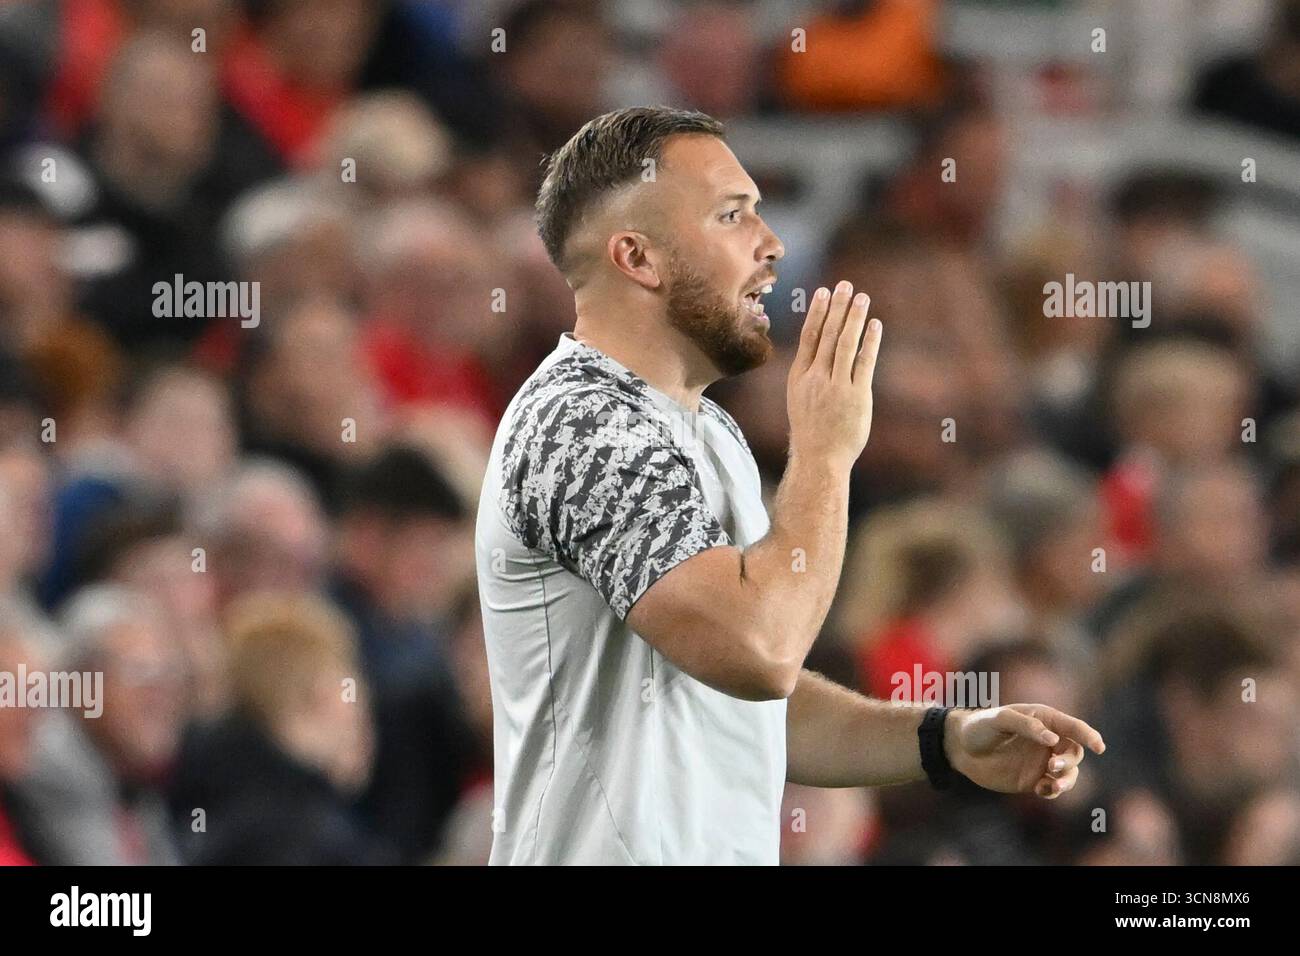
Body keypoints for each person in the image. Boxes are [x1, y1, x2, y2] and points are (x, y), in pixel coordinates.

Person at [474, 106, 1105, 866]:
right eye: (732, 217)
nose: (771, 247)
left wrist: (945, 739)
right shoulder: (584, 424)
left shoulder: (707, 433)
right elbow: (761, 649)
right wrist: (827, 453)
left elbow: (751, 704)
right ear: (639, 258)